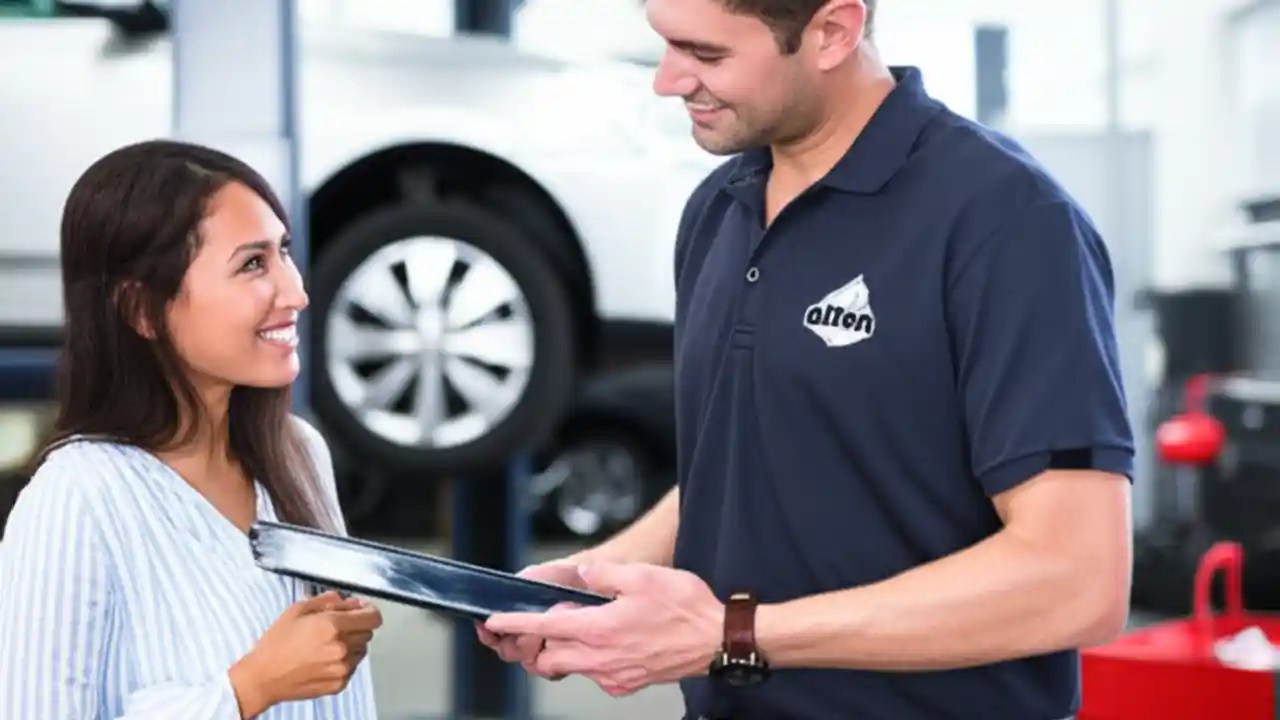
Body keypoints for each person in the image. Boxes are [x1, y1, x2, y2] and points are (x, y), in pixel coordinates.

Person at [478, 0, 1135, 718]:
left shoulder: (1005, 220)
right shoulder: (719, 208)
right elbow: (743, 461)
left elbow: (1075, 580)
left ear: (832, 32)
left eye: (706, 54)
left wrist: (733, 635)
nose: (667, 81)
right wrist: (591, 581)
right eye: (667, 45)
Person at [0, 139, 382, 719]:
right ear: (141, 309)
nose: (297, 293)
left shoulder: (298, 453)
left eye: (284, 252)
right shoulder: (77, 498)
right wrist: (246, 690)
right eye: (252, 264)